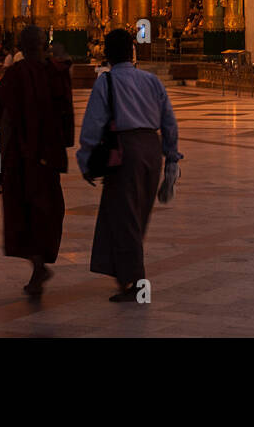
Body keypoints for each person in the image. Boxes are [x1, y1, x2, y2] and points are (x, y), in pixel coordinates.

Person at [77, 27, 181, 302]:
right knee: (136, 214)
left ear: (107, 55)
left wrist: (85, 158)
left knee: (125, 218)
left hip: (125, 152)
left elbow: (94, 123)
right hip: (151, 149)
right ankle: (127, 275)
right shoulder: (151, 80)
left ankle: (136, 283)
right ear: (132, 52)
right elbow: (169, 120)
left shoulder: (106, 82)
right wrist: (171, 157)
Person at [0, 25, 74, 297]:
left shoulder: (16, 76)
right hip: (46, 158)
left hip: (22, 157)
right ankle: (39, 263)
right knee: (44, 210)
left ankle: (38, 264)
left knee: (25, 210)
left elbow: (6, 123)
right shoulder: (55, 73)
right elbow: (66, 118)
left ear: (21, 47)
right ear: (42, 45)